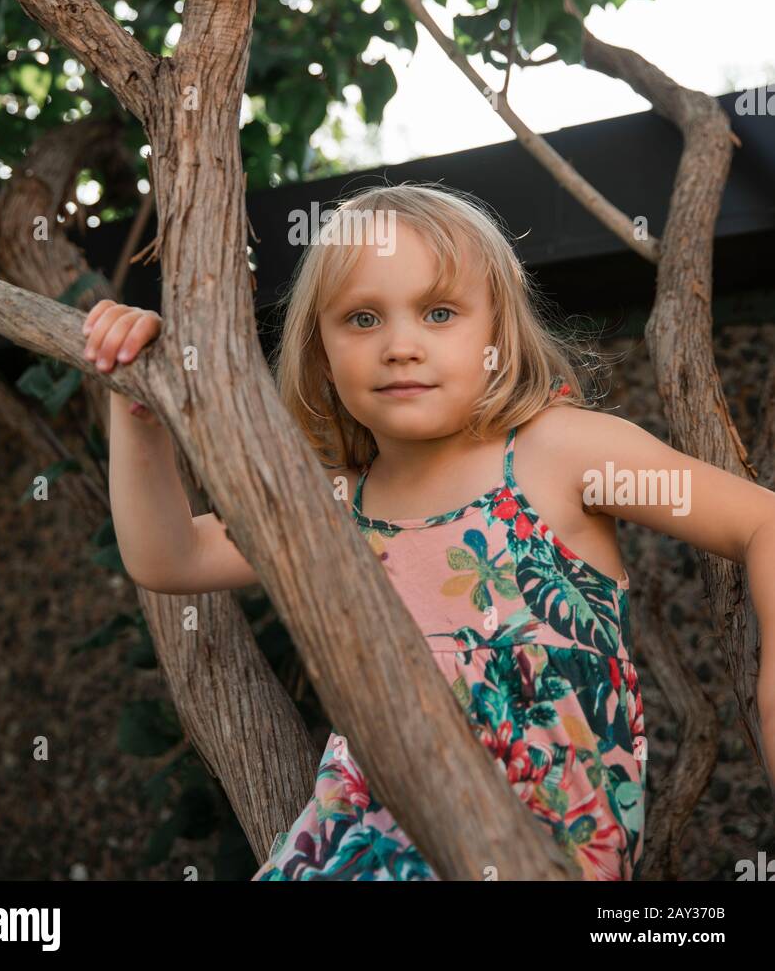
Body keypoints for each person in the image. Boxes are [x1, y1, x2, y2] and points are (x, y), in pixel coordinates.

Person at [84, 181, 775, 882]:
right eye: (361, 319)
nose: (401, 346)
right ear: (321, 352)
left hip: (537, 847)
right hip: (359, 846)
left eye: (439, 313)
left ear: (496, 335)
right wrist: (137, 417)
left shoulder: (559, 454)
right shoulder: (330, 508)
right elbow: (170, 557)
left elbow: (762, 523)